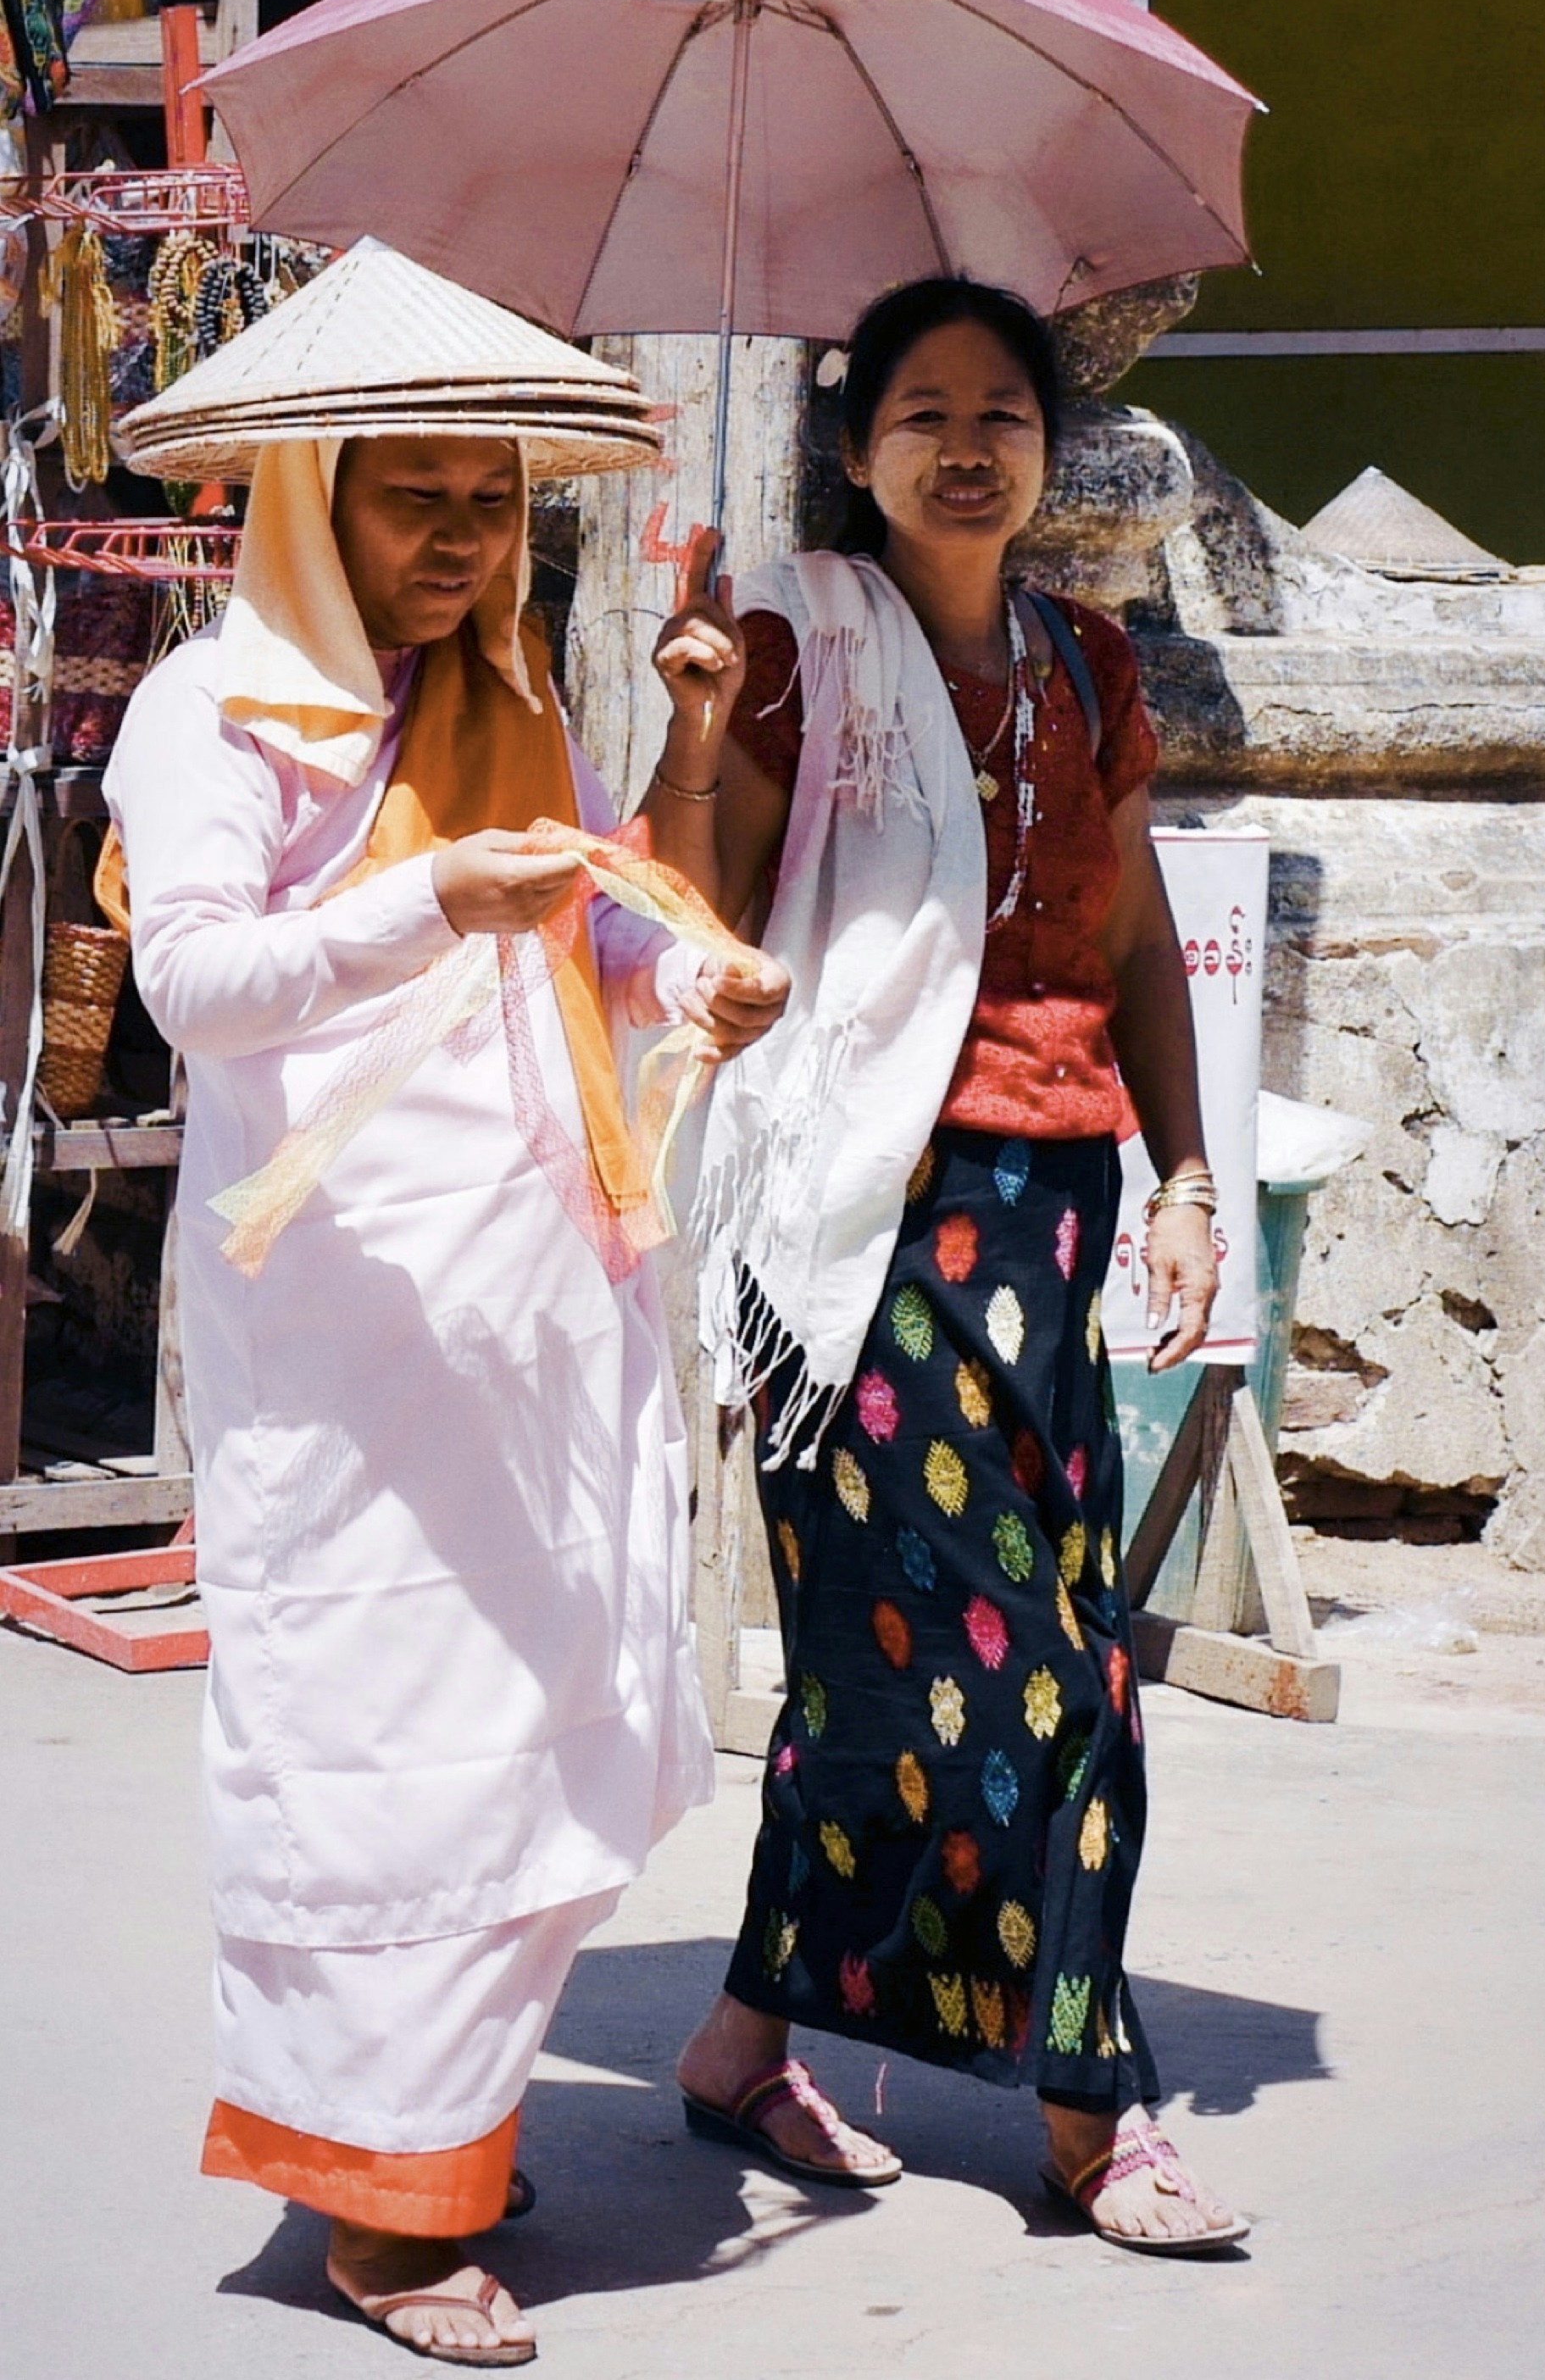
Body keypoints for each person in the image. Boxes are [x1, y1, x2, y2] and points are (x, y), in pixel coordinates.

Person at [104, 253, 789, 2367]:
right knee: (378, 1755)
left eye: (489, 499)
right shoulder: (213, 711)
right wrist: (420, 895)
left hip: (535, 1309)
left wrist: (690, 974)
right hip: (347, 1329)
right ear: (311, 499)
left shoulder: (509, 704)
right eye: (416, 497)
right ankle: (374, 2210)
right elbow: (194, 985)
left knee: (516, 1748)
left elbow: (576, 939)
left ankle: (451, 2144)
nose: (463, 541)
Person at [642, 276, 1248, 2255]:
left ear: (1047, 450)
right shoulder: (794, 642)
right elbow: (703, 902)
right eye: (922, 407)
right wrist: (692, 725)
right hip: (859, 1224)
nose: (966, 440)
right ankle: (1093, 2101)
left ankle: (744, 2035)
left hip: (1052, 1212)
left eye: (1003, 407)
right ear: (854, 445)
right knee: (1062, 1676)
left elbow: (1137, 944)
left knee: (873, 1672)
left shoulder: (1086, 670)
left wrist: (1182, 1175)